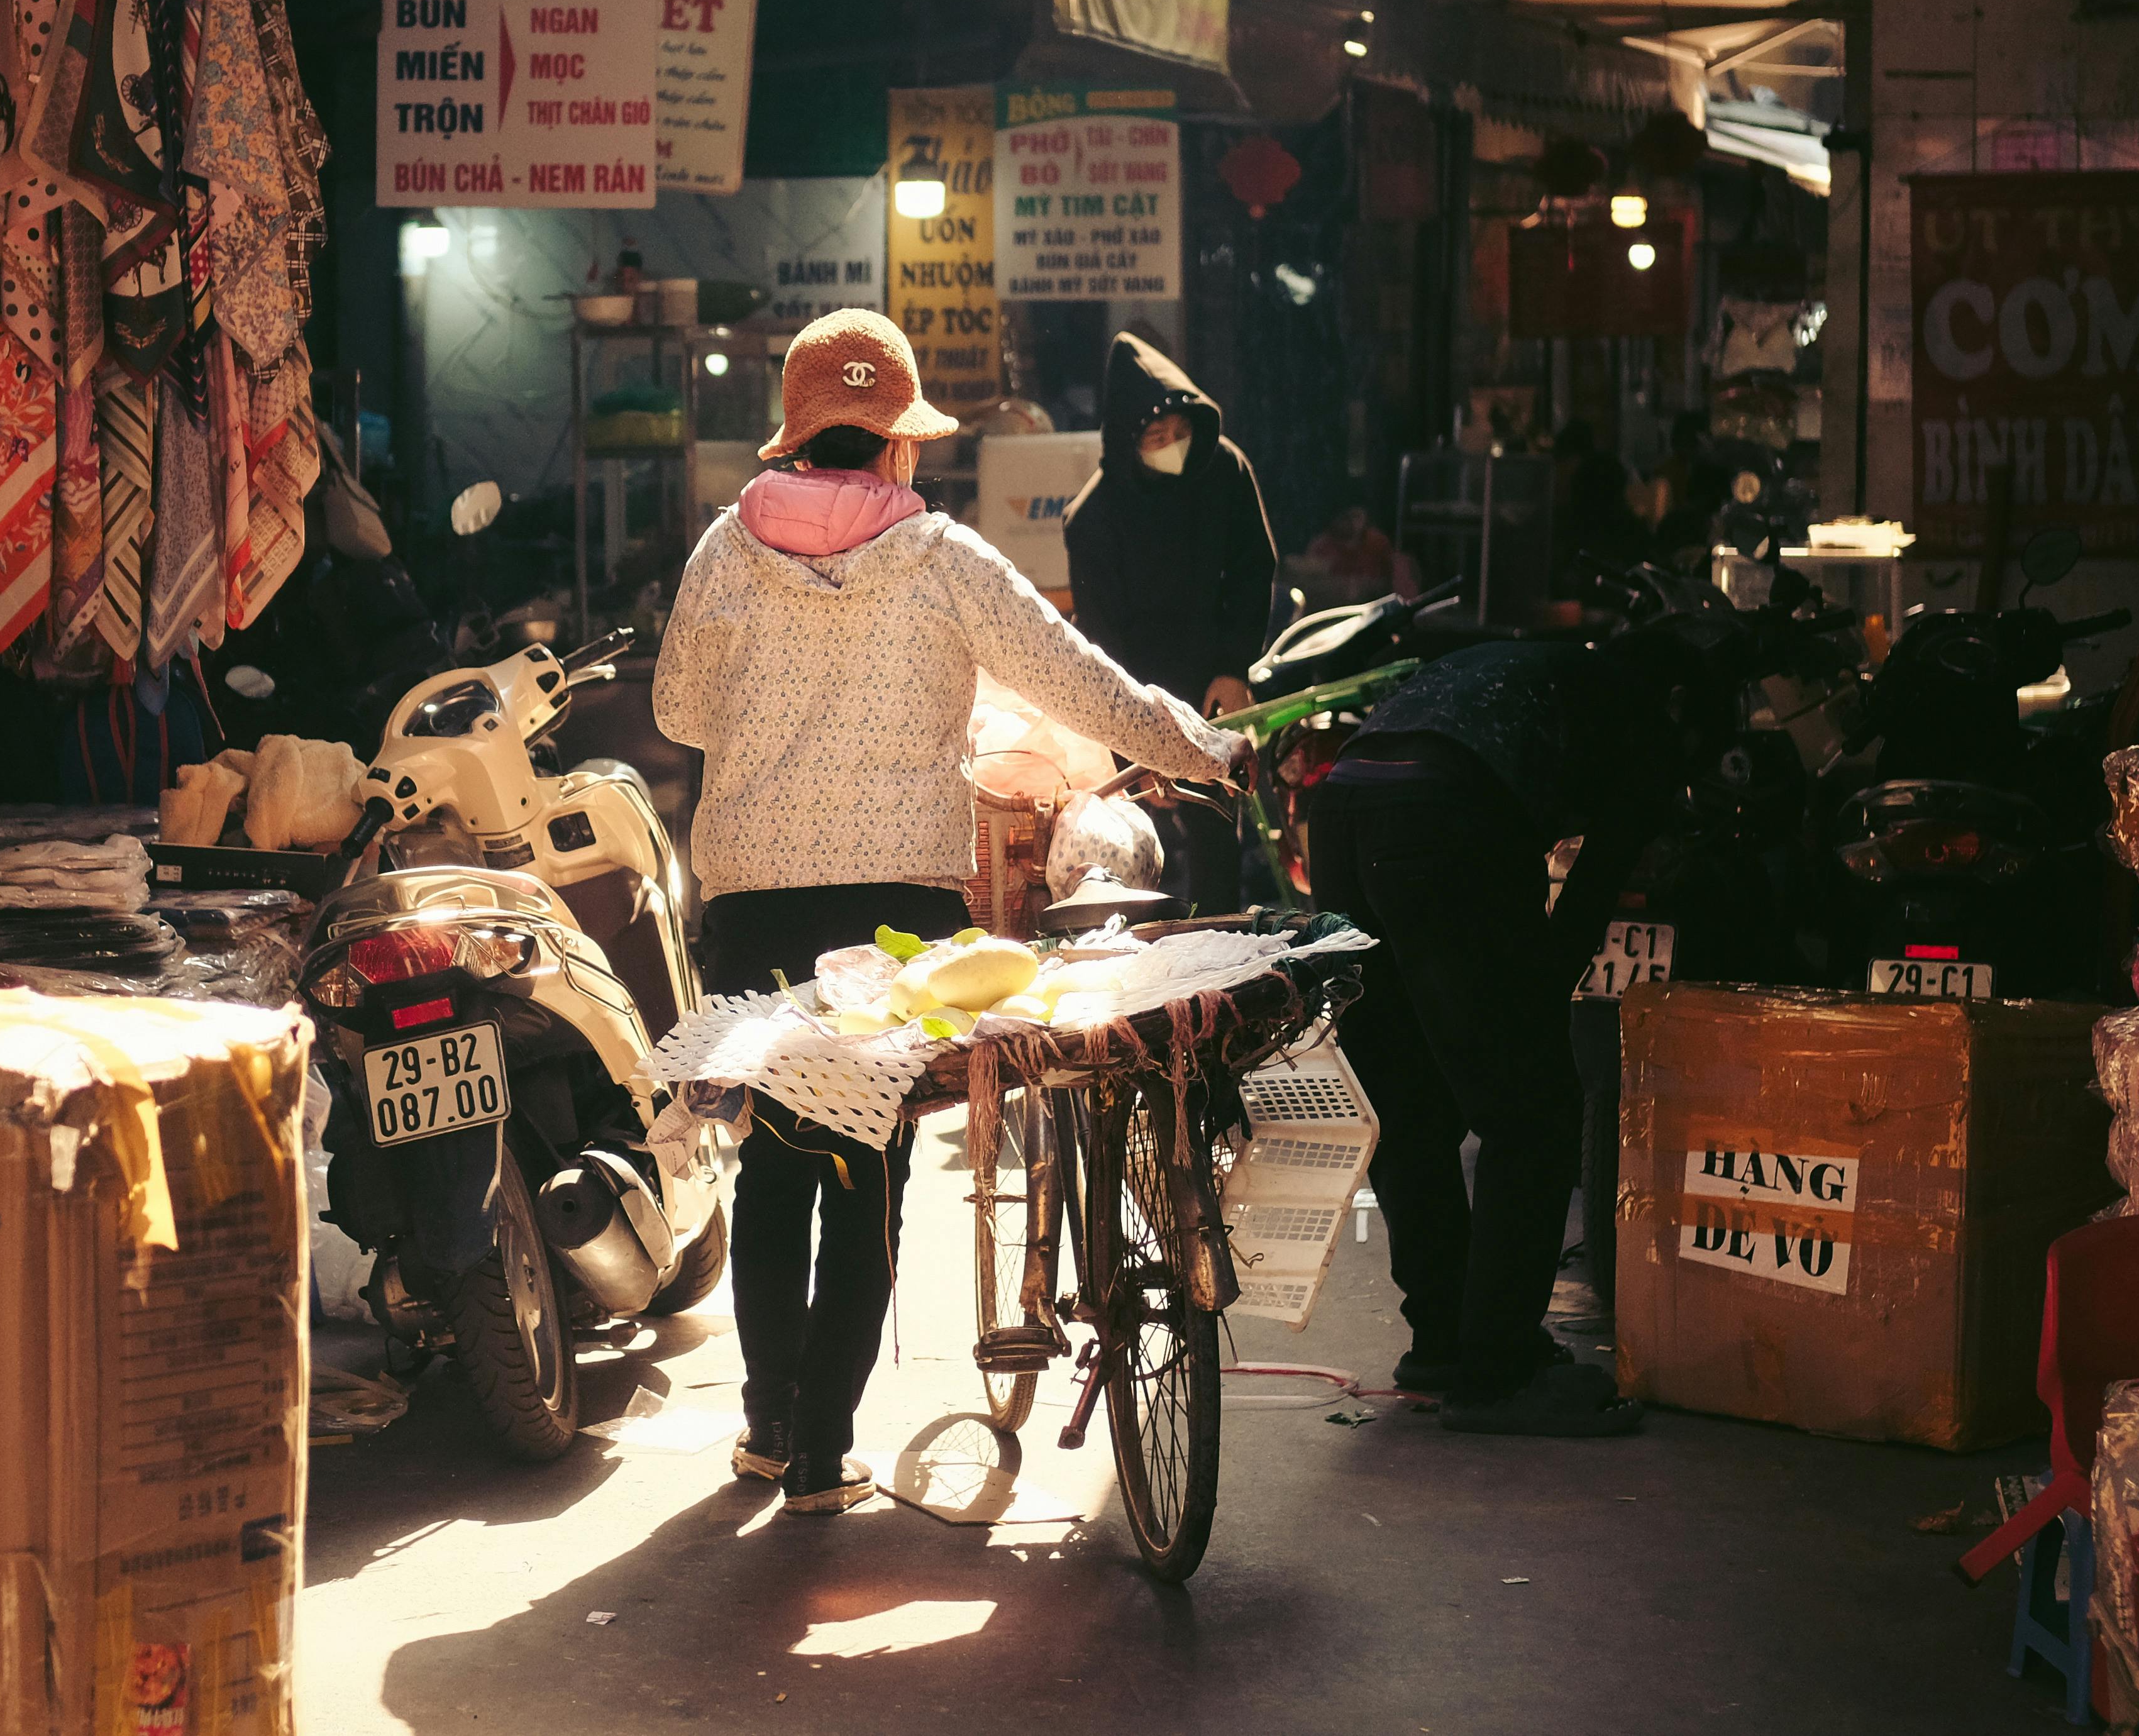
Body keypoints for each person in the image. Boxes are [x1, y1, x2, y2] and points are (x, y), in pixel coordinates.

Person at [657, 309, 1242, 1512]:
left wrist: (780, 721)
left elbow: (676, 711)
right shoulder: (943, 558)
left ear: (797, 435)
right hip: (888, 914)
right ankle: (822, 1447)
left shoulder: (725, 547)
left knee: (772, 1162)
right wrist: (1196, 748)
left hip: (755, 901)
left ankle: (769, 1431)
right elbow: (1076, 680)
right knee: (863, 1168)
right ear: (901, 445)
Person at [1305, 631, 1693, 1435]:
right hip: (1444, 809)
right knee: (1535, 1112)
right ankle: (1500, 1369)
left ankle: (1444, 1340)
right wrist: (1530, 1012)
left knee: (1410, 1103)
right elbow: (1594, 886)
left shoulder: (1530, 667)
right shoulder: (1643, 719)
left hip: (1345, 801)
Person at [1061, 334, 1276, 910]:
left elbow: (1254, 568)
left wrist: (1234, 668)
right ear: (1128, 443)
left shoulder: (1223, 467)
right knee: (1133, 841)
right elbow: (1100, 641)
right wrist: (1132, 746)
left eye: (1181, 433)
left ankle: (1221, 950)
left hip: (1212, 677)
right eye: (1157, 439)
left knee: (1215, 828)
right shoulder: (1093, 519)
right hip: (1136, 687)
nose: (1175, 447)